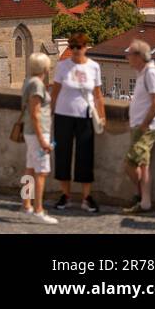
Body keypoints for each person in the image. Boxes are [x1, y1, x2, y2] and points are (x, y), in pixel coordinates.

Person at [51, 32, 105, 214]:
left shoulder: (94, 67)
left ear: (85, 48)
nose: (75, 50)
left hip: (85, 116)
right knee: (62, 155)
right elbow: (55, 92)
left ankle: (86, 197)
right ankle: (65, 195)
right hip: (63, 115)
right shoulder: (62, 66)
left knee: (85, 156)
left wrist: (102, 116)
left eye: (78, 47)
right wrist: (50, 114)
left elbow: (98, 95)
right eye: (72, 46)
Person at [122, 39, 155, 214]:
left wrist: (144, 124)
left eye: (130, 54)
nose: (127, 57)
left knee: (130, 162)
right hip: (140, 126)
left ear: (139, 56)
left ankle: (142, 197)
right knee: (142, 164)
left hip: (147, 127)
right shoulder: (143, 72)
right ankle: (144, 201)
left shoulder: (151, 73)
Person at [20, 52, 58, 224]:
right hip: (38, 133)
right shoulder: (36, 84)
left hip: (30, 132)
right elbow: (35, 114)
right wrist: (43, 140)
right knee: (41, 172)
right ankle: (38, 210)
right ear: (44, 67)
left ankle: (26, 204)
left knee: (29, 169)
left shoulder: (28, 81)